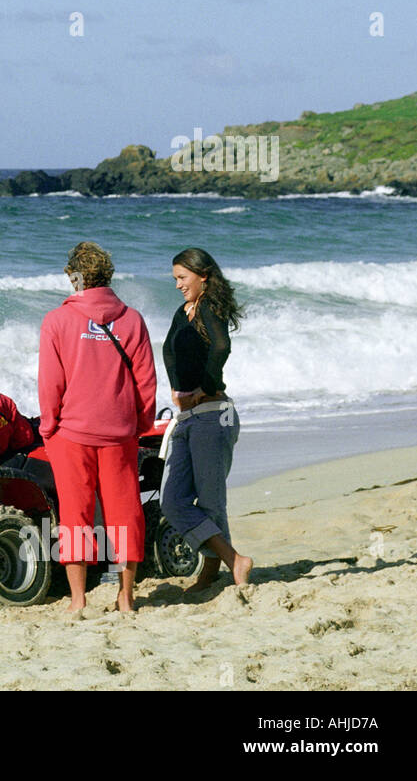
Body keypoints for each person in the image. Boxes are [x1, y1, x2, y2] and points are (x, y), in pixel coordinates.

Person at [39, 242, 156, 612]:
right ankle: (126, 597)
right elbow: (146, 381)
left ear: (74, 277)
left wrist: (47, 425)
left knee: (75, 513)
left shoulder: (57, 321)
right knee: (125, 511)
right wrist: (140, 423)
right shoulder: (133, 319)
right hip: (120, 432)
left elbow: (50, 382)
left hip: (71, 433)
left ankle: (78, 600)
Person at [160, 248, 253, 591]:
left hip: (215, 415)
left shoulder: (210, 307)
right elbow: (169, 350)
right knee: (172, 502)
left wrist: (205, 387)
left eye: (182, 278)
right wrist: (176, 389)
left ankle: (217, 570)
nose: (178, 285)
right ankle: (232, 559)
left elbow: (220, 347)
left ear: (203, 276)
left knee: (212, 503)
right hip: (189, 418)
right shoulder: (183, 312)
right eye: (175, 279)